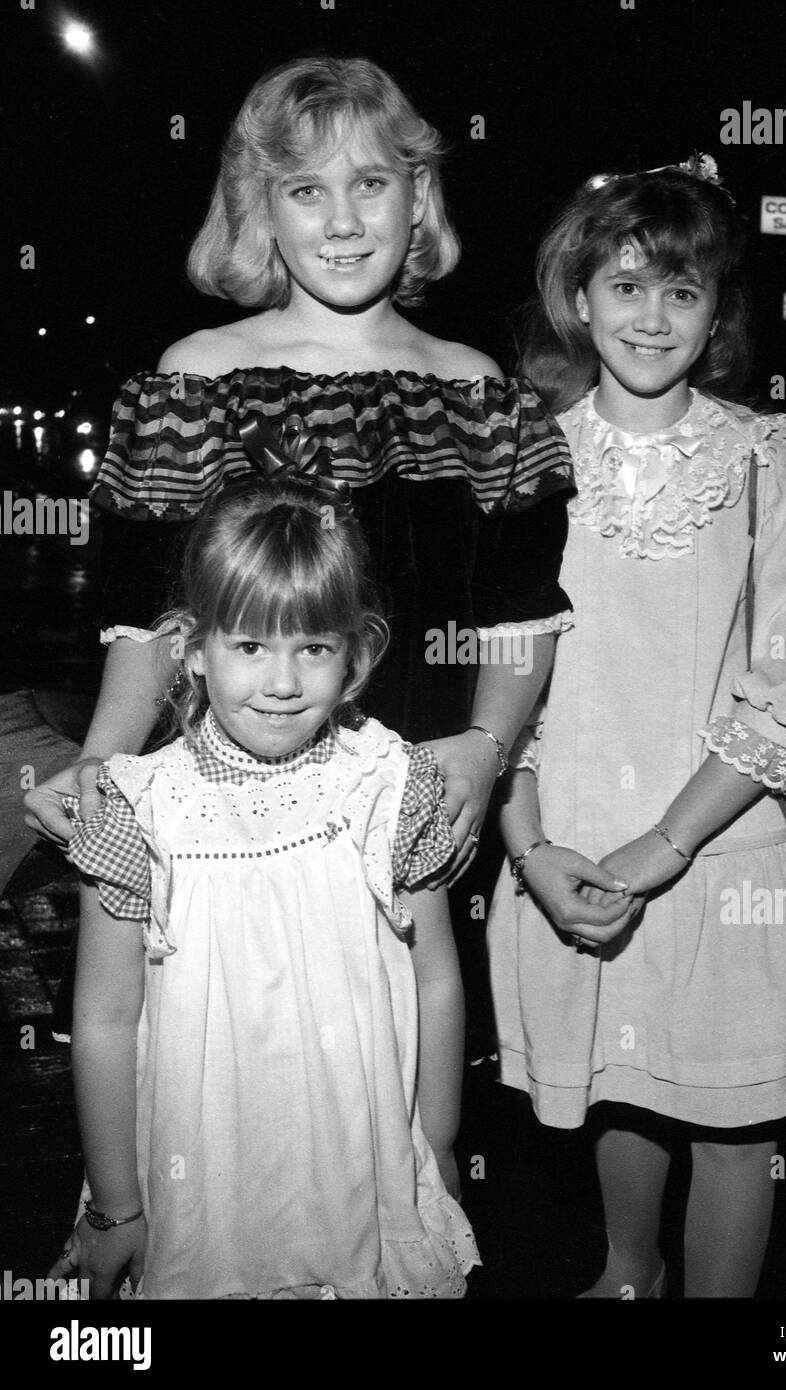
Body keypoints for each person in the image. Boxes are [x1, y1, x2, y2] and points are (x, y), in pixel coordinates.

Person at [23, 53, 596, 916]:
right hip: (225, 817)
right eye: (305, 190)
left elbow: (516, 612)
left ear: (418, 199)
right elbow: (149, 610)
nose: (343, 222)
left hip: (409, 823)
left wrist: (486, 745)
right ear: (262, 209)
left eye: (370, 183)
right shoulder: (197, 378)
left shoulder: (477, 392)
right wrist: (104, 755)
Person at [486, 156, 786, 1299]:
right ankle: (624, 1274)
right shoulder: (521, 456)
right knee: (620, 1080)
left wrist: (660, 849)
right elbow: (497, 684)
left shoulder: (774, 458)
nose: (649, 315)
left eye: (681, 291)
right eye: (626, 285)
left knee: (731, 1117)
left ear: (715, 314)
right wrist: (532, 850)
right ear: (579, 297)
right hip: (564, 844)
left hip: (721, 839)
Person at [50, 472, 479, 1299]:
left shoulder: (390, 782)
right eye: (249, 646)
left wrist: (440, 1142)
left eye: (312, 648)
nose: (282, 682)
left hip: (363, 1161)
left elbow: (436, 975)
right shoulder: (139, 807)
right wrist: (115, 1206)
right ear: (191, 647)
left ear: (354, 653)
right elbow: (104, 1018)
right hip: (200, 1173)